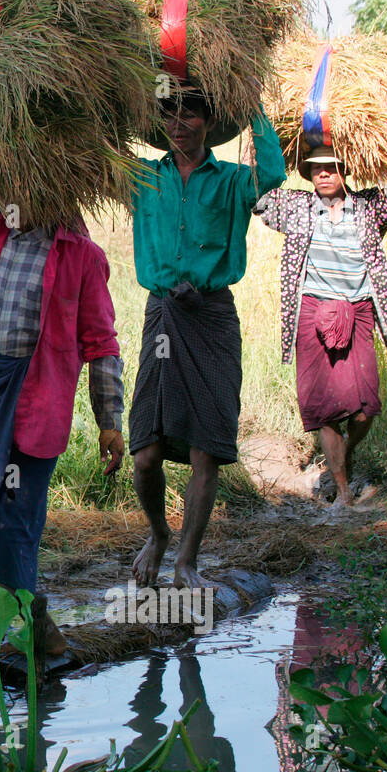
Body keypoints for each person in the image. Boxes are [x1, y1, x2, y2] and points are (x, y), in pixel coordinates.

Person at [0, 180, 125, 695]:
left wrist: (110, 419)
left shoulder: (81, 256)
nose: (8, 196)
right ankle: (39, 627)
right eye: (2, 185)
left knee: (15, 525)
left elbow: (101, 342)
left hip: (39, 401)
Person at [128, 93, 286, 590]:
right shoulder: (142, 179)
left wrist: (250, 96)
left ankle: (187, 561)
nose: (179, 124)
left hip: (213, 318)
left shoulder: (234, 182)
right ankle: (157, 535)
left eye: (190, 113)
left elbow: (274, 173)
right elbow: (93, 147)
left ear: (211, 122)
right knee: (146, 449)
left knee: (206, 448)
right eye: (169, 113)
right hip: (164, 316)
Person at [253, 146, 387, 508]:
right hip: (311, 310)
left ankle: (345, 453)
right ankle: (342, 489)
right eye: (316, 168)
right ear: (307, 173)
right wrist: (258, 134)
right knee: (324, 407)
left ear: (346, 169)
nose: (323, 174)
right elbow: (258, 197)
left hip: (358, 310)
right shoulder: (296, 207)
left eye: (331, 167)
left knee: (365, 407)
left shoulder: (369, 207)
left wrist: (384, 138)